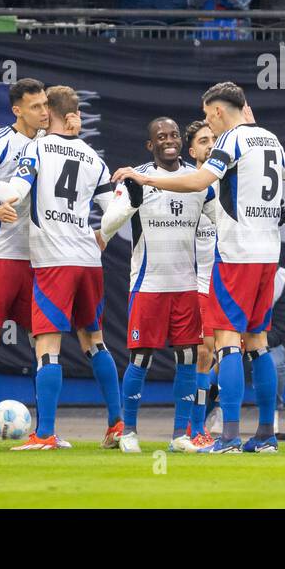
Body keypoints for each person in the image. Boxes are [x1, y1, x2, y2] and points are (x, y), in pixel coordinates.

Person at [112, 82, 285, 454]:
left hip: (237, 254)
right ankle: (265, 436)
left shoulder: (231, 139)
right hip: (268, 253)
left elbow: (199, 180)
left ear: (219, 111)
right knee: (257, 343)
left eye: (210, 115)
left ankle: (228, 437)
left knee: (227, 342)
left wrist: (147, 179)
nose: (209, 123)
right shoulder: (270, 138)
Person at [0, 79, 112, 451]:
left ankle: (46, 430)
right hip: (2, 253)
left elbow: (7, 187)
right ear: (18, 110)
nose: (43, 111)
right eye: (36, 106)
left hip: (41, 258)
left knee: (45, 342)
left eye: (46, 105)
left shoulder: (43, 145)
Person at [99, 117, 215, 454]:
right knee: (140, 358)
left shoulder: (197, 181)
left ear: (181, 141)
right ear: (151, 145)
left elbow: (223, 218)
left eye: (174, 135)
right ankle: (129, 431)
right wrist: (132, 201)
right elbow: (107, 225)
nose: (169, 140)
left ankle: (180, 435)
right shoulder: (135, 178)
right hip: (148, 284)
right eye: (161, 136)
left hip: (186, 285)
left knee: (188, 357)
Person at [183, 119, 219, 446]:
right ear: (192, 151)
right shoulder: (187, 186)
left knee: (226, 354)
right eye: (203, 141)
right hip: (198, 282)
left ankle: (206, 416)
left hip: (228, 282)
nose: (210, 146)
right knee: (203, 354)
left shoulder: (232, 185)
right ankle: (194, 426)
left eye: (214, 140)